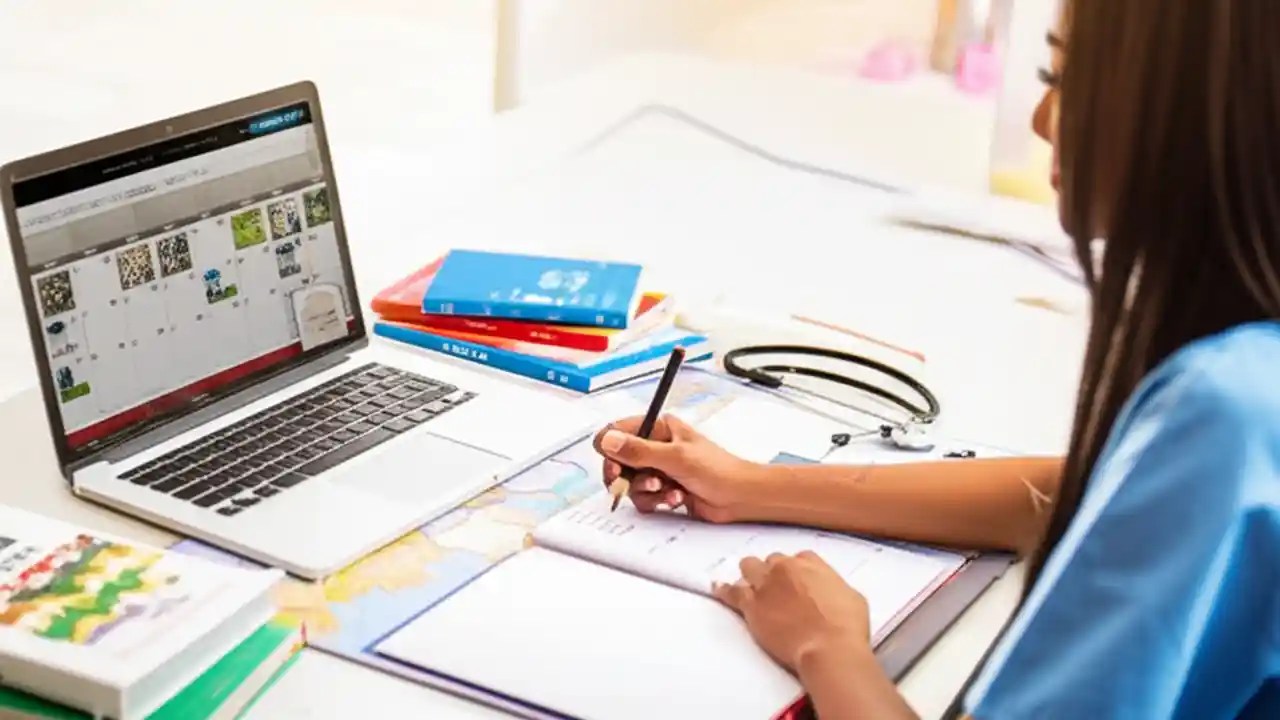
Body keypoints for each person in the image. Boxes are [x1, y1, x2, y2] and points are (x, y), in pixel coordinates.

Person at [592, 0, 1280, 717]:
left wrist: (828, 650)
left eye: (1064, 75)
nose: (1044, 121)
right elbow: (1069, 495)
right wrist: (749, 486)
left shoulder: (1225, 413)